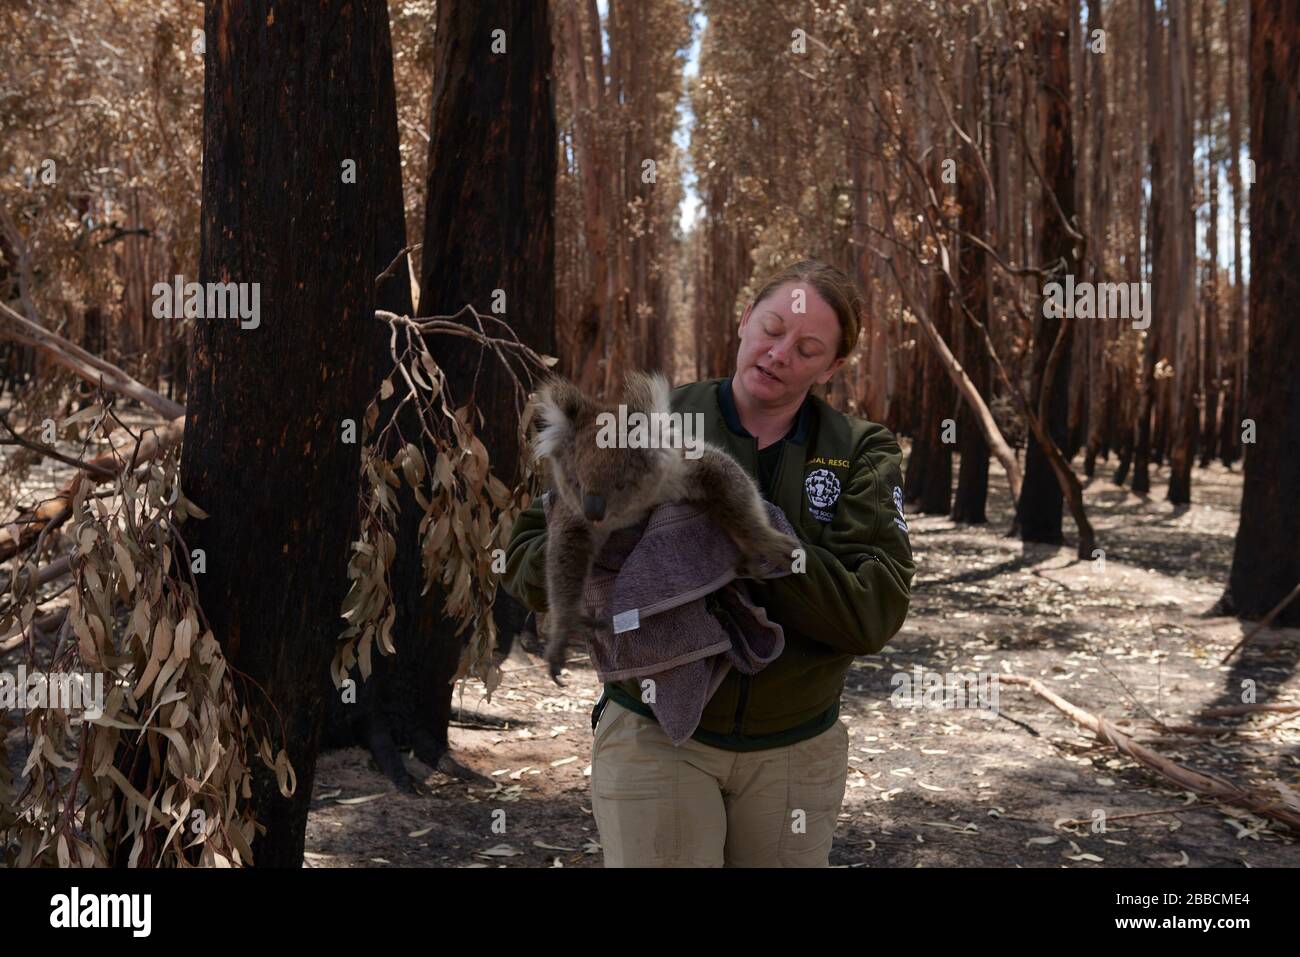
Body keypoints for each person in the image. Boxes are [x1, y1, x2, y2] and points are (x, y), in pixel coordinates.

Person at [502, 258, 915, 866]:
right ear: (744, 321)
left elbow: (872, 612)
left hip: (795, 748)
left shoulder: (858, 451)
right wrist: (627, 561)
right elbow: (526, 559)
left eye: (807, 348)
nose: (779, 354)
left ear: (833, 366)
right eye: (771, 329)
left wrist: (745, 542)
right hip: (653, 735)